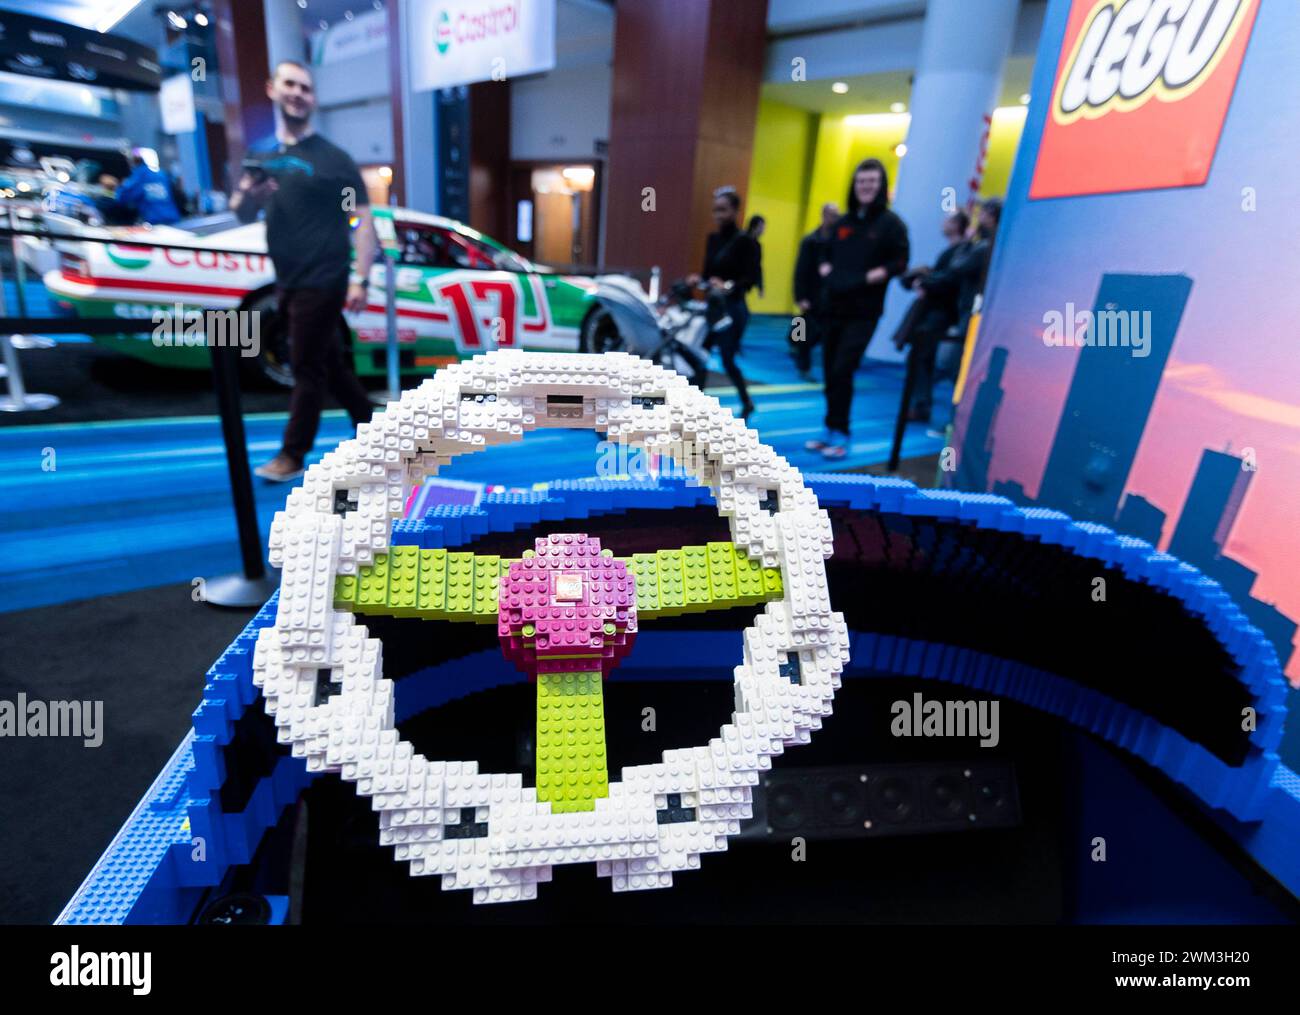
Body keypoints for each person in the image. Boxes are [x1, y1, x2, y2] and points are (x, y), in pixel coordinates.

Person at [232, 60, 378, 483]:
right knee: (328, 362)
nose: (298, 93)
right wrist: (249, 194)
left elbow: (362, 220)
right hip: (287, 279)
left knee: (305, 366)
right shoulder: (260, 154)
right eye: (290, 84)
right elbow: (241, 212)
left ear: (314, 99)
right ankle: (371, 425)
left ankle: (292, 453)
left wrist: (359, 277)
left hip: (325, 275)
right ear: (272, 89)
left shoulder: (335, 161)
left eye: (306, 88)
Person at [806, 159, 909, 459]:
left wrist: (869, 277)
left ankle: (842, 433)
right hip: (833, 309)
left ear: (880, 185)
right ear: (855, 185)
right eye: (861, 181)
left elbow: (900, 262)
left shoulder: (891, 224)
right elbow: (822, 252)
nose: (865, 186)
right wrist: (827, 271)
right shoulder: (843, 223)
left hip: (864, 312)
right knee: (828, 370)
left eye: (872, 182)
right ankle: (829, 428)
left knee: (843, 369)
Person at [895, 211, 969, 423]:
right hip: (938, 313)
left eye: (948, 219)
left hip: (941, 314)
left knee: (926, 359)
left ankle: (922, 406)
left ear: (956, 224)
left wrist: (925, 282)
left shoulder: (960, 251)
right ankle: (921, 405)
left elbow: (950, 280)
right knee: (923, 359)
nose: (942, 223)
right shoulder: (955, 251)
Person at [694, 186, 758, 420]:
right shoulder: (712, 239)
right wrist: (699, 280)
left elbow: (750, 278)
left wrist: (728, 285)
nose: (718, 215)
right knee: (700, 353)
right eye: (715, 210)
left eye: (723, 210)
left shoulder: (746, 242)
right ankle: (696, 403)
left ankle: (746, 400)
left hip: (733, 309)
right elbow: (707, 272)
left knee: (728, 359)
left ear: (734, 211)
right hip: (713, 307)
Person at [791, 202, 839, 381]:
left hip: (829, 296)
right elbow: (800, 269)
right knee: (804, 330)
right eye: (833, 215)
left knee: (821, 332)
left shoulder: (837, 242)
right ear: (825, 215)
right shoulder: (810, 241)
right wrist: (800, 296)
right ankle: (803, 365)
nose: (836, 219)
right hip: (811, 294)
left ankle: (794, 343)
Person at [114, 155, 181, 225]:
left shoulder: (138, 176)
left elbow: (124, 197)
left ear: (132, 163)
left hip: (154, 219)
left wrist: (118, 189)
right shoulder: (161, 174)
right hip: (172, 217)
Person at [746, 214, 766, 299]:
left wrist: (760, 287)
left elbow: (757, 266)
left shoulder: (757, 245)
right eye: (761, 227)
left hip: (745, 284)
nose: (763, 230)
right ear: (754, 226)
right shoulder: (742, 241)